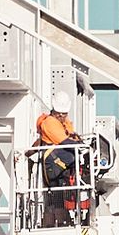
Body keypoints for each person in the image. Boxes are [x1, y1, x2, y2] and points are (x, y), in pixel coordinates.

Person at [34, 92, 84, 226]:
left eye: (64, 114)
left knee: (60, 196)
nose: (61, 116)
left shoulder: (64, 122)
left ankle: (63, 221)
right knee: (54, 196)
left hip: (60, 165)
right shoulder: (50, 123)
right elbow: (65, 142)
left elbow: (71, 136)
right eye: (59, 114)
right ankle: (54, 223)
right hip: (53, 164)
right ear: (54, 110)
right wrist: (82, 146)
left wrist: (79, 141)